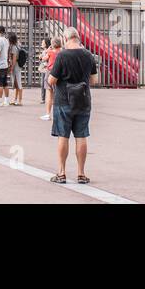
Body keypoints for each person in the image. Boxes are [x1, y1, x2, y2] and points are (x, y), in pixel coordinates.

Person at [47, 27, 98, 185]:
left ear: (65, 38)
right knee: (81, 136)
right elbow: (94, 81)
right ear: (78, 38)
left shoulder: (62, 55)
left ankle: (61, 173)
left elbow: (51, 81)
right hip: (83, 100)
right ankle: (81, 174)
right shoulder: (88, 55)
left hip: (64, 100)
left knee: (63, 136)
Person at [41, 37, 63, 120]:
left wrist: (47, 51)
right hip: (60, 73)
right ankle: (59, 114)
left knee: (49, 93)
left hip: (50, 72)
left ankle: (48, 114)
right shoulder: (62, 52)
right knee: (58, 93)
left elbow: (44, 58)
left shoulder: (50, 52)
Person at [7, 32, 22, 105]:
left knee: (18, 84)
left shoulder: (14, 47)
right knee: (16, 84)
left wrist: (11, 68)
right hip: (17, 66)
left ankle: (20, 101)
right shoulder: (18, 44)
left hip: (16, 66)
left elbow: (14, 58)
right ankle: (15, 100)